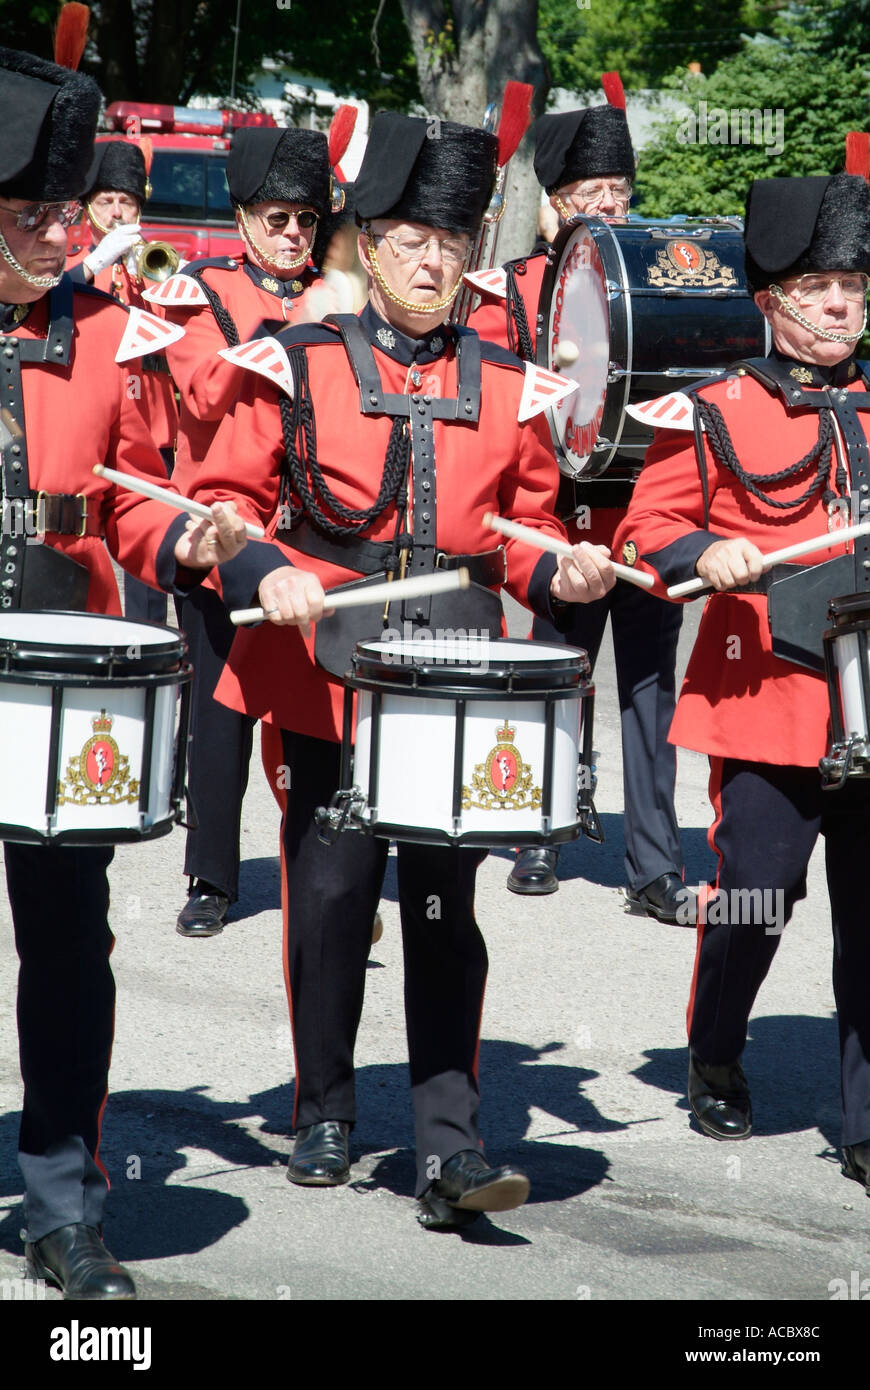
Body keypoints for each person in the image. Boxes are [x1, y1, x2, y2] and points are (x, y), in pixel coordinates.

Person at [190, 111, 616, 1229]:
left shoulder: (513, 379)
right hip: (321, 670)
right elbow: (227, 504)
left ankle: (449, 1145)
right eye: (414, 238)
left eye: (457, 237)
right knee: (329, 901)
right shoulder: (295, 360)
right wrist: (269, 564)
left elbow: (518, 526)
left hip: (451, 684)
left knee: (442, 906)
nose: (437, 260)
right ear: (367, 244)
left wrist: (558, 567)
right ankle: (324, 1103)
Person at [0, 43, 246, 1299]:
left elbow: (140, 500)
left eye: (64, 210)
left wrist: (190, 533)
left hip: (62, 679)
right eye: (32, 213)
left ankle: (62, 1201)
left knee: (66, 949)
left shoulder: (108, 332)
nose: (60, 235)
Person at [612, 173, 870, 1190]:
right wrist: (705, 551)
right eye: (822, 284)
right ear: (773, 300)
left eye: (855, 282)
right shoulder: (711, 409)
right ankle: (716, 1045)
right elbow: (648, 524)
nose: (845, 302)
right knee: (757, 896)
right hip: (768, 696)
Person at [468, 85, 686, 921]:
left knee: (651, 690)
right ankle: (537, 834)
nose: (607, 207)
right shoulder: (509, 288)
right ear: (554, 207)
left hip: (641, 512)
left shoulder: (654, 277)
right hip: (556, 514)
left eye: (618, 194)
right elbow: (487, 399)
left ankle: (654, 867)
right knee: (555, 677)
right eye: (589, 196)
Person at [155, 119, 353, 937]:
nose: (293, 234)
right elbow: (199, 389)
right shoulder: (200, 288)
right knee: (219, 709)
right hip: (219, 524)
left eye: (306, 220)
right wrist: (310, 317)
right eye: (278, 218)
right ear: (243, 218)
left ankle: (324, 864)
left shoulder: (334, 294)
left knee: (311, 706)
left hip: (305, 526)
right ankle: (212, 875)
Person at [66, 137, 180, 623]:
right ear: (88, 206)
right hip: (98, 423)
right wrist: (97, 263)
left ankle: (146, 637)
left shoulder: (155, 260)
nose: (116, 212)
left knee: (148, 550)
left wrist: (160, 286)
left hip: (155, 424)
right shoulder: (73, 262)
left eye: (126, 201)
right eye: (106, 200)